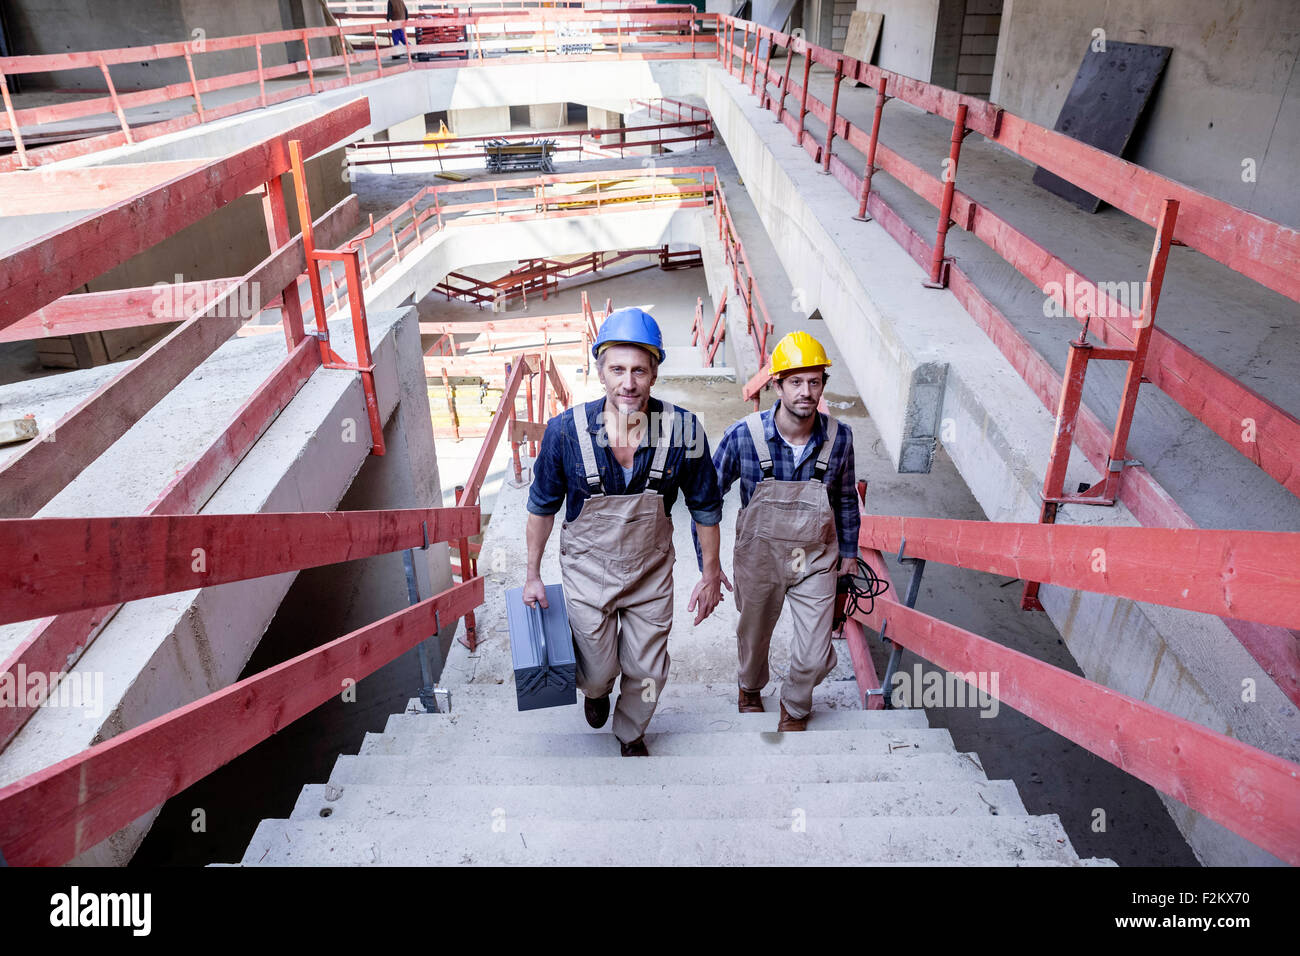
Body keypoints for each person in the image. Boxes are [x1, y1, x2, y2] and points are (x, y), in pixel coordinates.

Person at [523, 308, 728, 756]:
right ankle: (596, 692)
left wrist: (711, 574)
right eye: (617, 369)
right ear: (600, 371)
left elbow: (705, 507)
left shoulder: (684, 431)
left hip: (650, 573)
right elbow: (541, 506)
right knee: (597, 670)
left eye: (639, 370)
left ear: (655, 371)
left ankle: (630, 731)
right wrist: (532, 574)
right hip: (586, 571)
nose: (628, 383)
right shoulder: (564, 433)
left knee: (648, 672)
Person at [706, 331, 859, 731]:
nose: (805, 391)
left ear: (823, 384)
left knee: (814, 653)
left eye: (814, 381)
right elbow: (705, 498)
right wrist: (710, 564)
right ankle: (750, 686)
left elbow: (844, 497)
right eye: (795, 381)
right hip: (759, 558)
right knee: (754, 636)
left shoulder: (840, 438)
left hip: (815, 558)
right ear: (777, 384)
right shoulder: (745, 435)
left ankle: (794, 705)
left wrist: (850, 551)